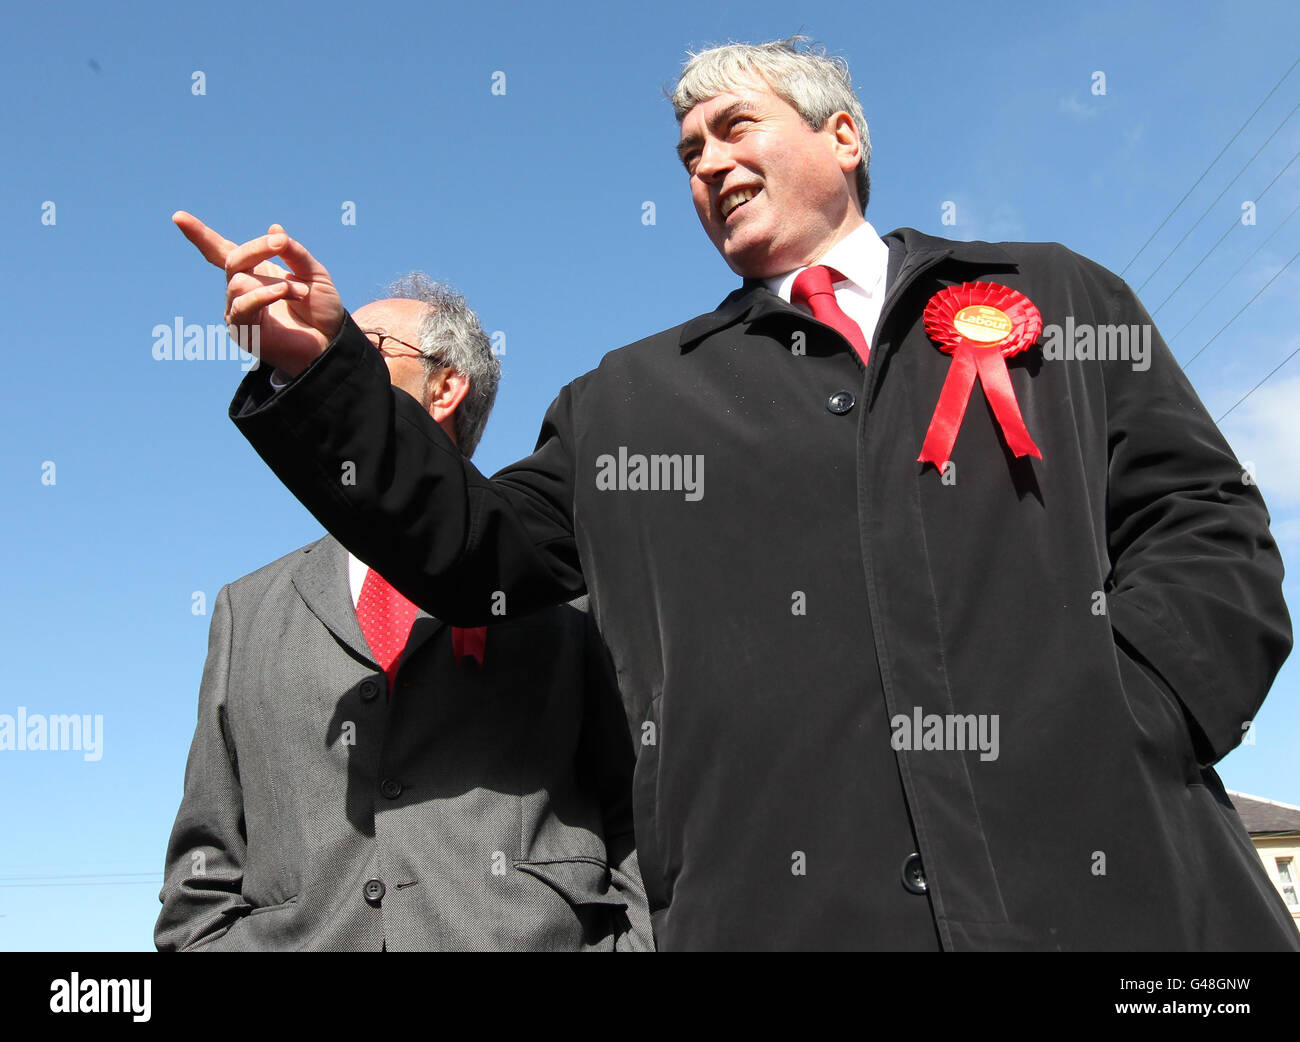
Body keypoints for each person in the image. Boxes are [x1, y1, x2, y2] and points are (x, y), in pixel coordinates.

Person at [178, 37, 1296, 951]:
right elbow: (471, 555)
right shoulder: (626, 404)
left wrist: (1137, 718)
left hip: (1126, 901)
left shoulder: (1049, 293)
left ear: (843, 136)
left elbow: (1208, 527)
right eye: (685, 152)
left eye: (734, 127)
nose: (705, 163)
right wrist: (323, 373)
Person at [155, 274, 651, 951]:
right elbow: (203, 869)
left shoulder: (568, 595)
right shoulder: (247, 610)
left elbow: (641, 821)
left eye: (361, 348)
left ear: (445, 388)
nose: (335, 359)